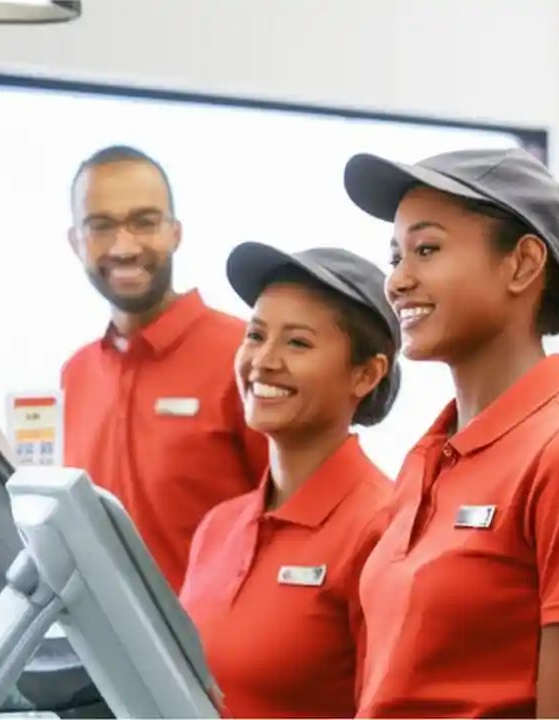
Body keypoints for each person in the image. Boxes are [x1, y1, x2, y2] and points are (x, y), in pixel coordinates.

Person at [343, 147, 559, 718]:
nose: (398, 281)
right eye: (395, 256)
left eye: (427, 250)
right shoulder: (425, 458)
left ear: (523, 264)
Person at [179, 242, 400, 718]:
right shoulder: (218, 527)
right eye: (256, 335)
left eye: (297, 342)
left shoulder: (385, 529)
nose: (264, 360)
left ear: (365, 374)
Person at [61, 145, 267, 591]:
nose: (124, 246)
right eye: (100, 226)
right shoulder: (76, 374)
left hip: (213, 650)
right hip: (106, 643)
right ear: (76, 242)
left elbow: (301, 523)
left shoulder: (248, 355)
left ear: (175, 233)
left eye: (144, 222)